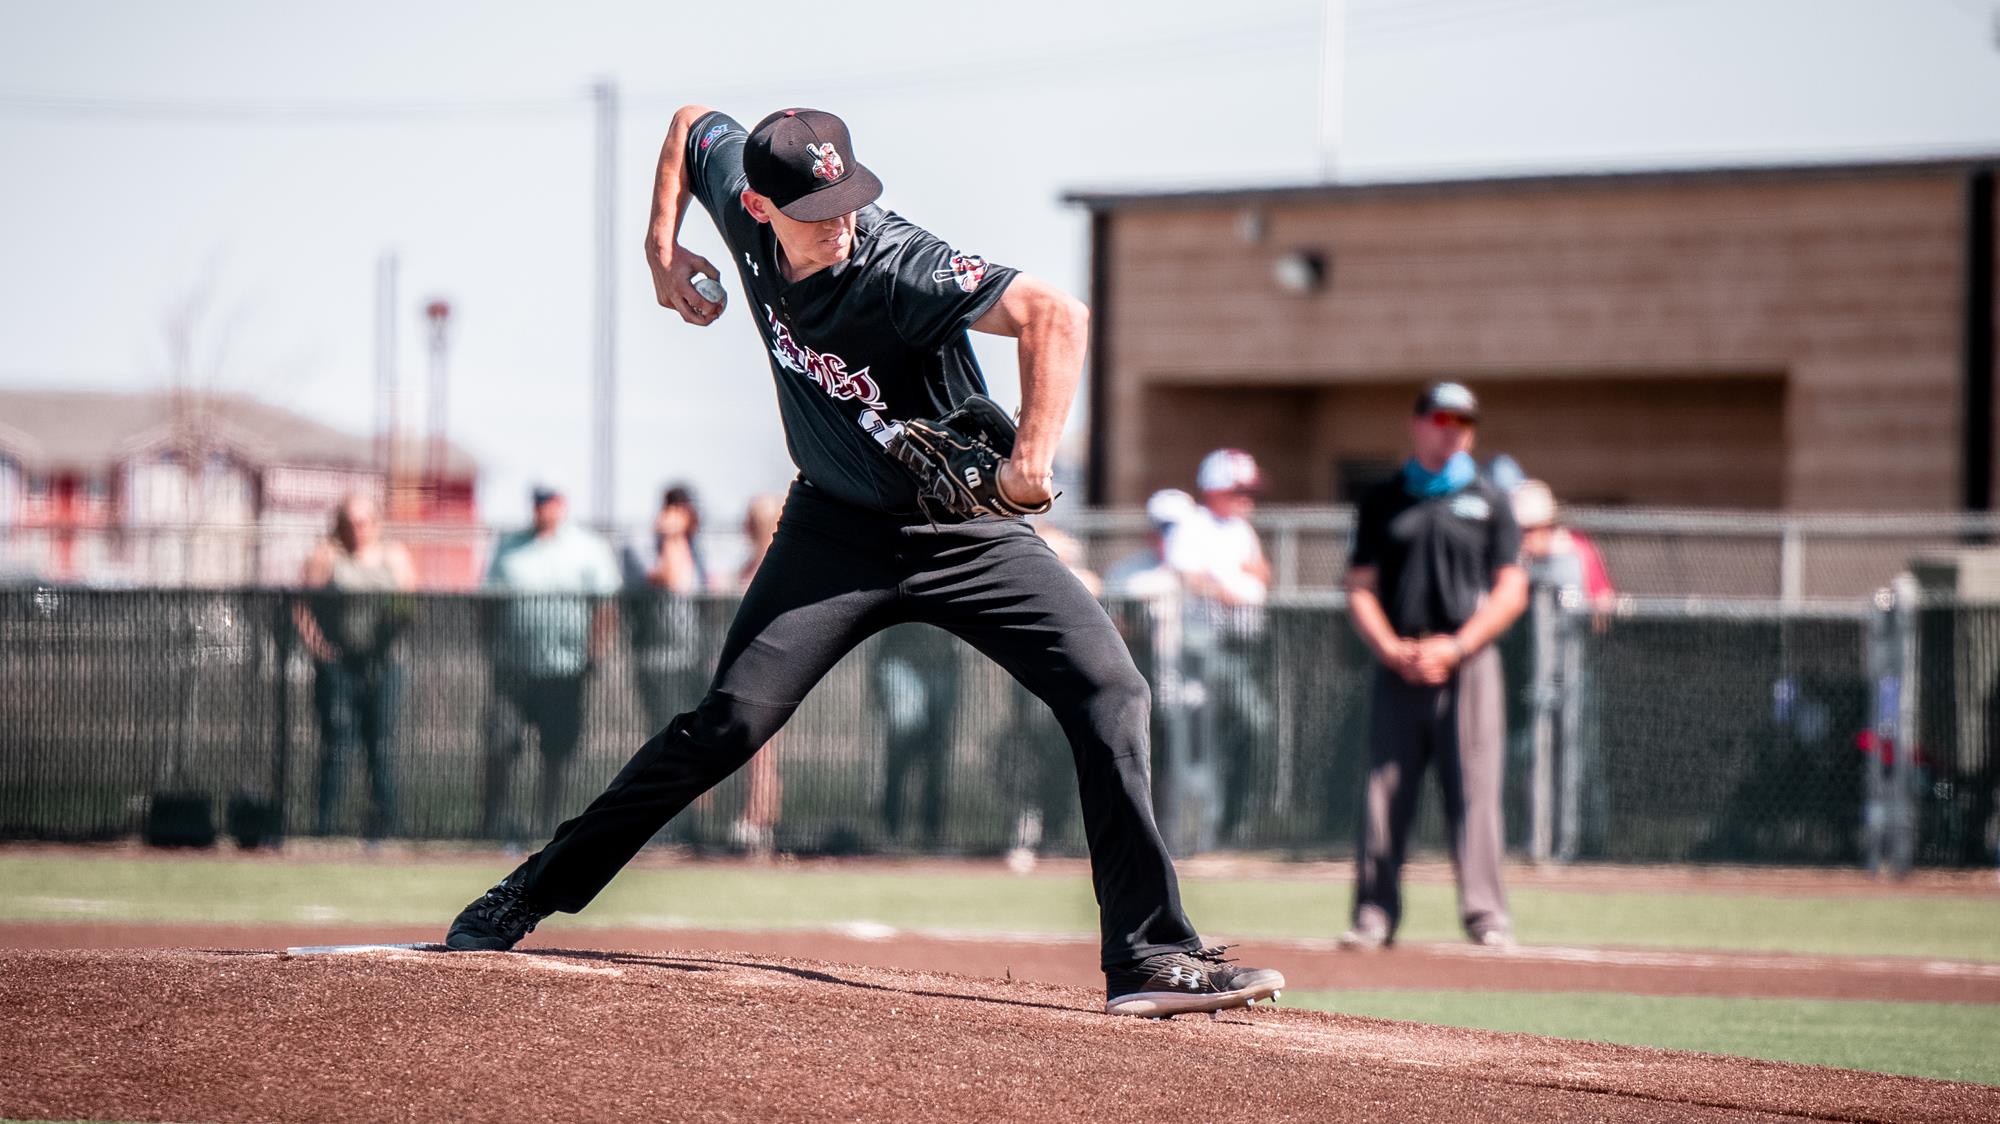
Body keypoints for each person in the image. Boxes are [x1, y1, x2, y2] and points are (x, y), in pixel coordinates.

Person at [445, 104, 1282, 1017]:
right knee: (727, 726)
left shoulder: (900, 264)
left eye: (848, 196)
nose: (840, 219)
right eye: (816, 209)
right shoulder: (742, 204)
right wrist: (660, 250)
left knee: (1111, 691)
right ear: (758, 207)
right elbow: (691, 124)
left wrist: (1031, 462)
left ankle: (1151, 956)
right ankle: (531, 890)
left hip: (967, 534)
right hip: (833, 532)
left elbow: (1057, 314)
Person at [1342, 381, 1529, 950]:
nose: (1453, 431)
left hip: (1468, 663)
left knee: (1475, 789)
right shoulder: (1384, 498)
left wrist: (1459, 646)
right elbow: (1359, 585)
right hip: (1400, 661)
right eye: (1442, 419)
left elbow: (1511, 589)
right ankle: (1374, 915)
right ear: (1418, 424)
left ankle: (1486, 916)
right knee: (1384, 792)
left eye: (1463, 422)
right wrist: (1389, 647)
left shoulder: (1491, 499)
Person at [479, 485, 621, 841]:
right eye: (538, 502)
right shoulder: (509, 545)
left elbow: (606, 606)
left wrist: (595, 654)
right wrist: (491, 649)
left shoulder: (588, 547)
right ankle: (494, 825)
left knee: (558, 749)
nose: (543, 509)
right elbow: (486, 603)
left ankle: (550, 826)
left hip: (565, 672)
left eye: (550, 502)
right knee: (501, 742)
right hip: (514, 670)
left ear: (562, 504)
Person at [1164, 449, 1275, 846]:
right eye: (1239, 490)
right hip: (1203, 646)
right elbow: (1188, 575)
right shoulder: (1193, 525)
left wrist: (1236, 580)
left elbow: (1263, 572)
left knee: (1249, 729)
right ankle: (1200, 829)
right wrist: (1222, 586)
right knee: (1210, 735)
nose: (1247, 500)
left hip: (1245, 646)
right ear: (1214, 489)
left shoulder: (1241, 529)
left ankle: (1232, 823)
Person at [293, 492, 415, 839]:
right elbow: (301, 607)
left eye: (363, 522)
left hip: (385, 667)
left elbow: (410, 604)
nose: (357, 530)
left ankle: (385, 827)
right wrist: (320, 650)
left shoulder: (394, 556)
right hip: (340, 668)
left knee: (381, 745)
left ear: (375, 524)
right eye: (348, 523)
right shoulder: (327, 556)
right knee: (338, 743)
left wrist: (394, 622)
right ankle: (326, 826)